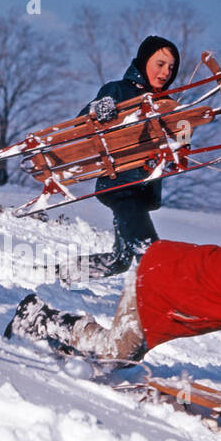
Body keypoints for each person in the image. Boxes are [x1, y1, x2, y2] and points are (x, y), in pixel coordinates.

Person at [6, 220, 221, 430]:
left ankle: (64, 331)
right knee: (114, 355)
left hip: (176, 305)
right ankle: (38, 317)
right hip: (156, 280)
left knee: (122, 358)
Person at [59, 35, 181, 282]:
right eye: (160, 64)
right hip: (118, 184)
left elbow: (183, 133)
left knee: (121, 259)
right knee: (149, 250)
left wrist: (185, 132)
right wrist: (98, 109)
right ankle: (162, 294)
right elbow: (84, 119)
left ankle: (61, 274)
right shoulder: (118, 90)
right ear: (143, 62)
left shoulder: (166, 103)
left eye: (171, 67)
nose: (166, 72)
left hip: (142, 190)